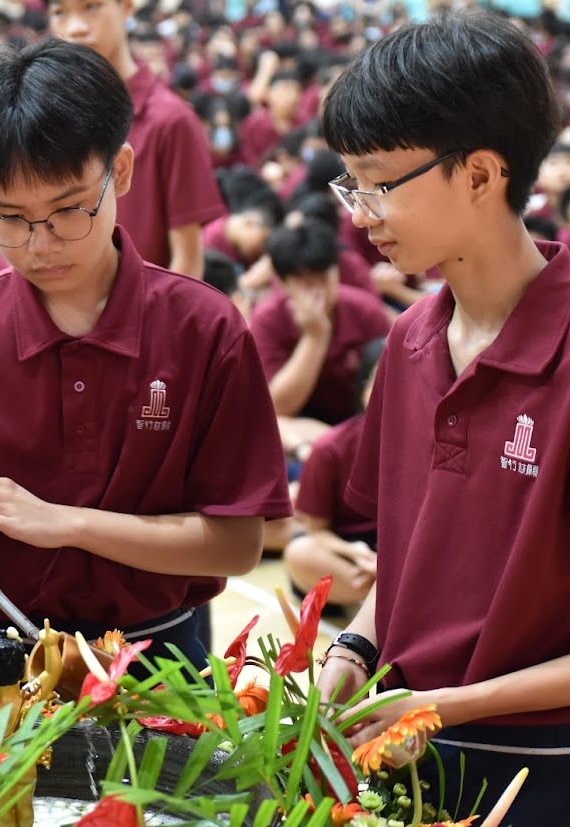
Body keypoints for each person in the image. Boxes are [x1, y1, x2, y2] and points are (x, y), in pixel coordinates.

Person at [0, 39, 289, 666]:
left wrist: (63, 522)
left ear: (119, 170)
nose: (41, 245)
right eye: (8, 218)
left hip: (156, 658)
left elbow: (235, 546)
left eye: (69, 209)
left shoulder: (204, 328)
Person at [314, 12, 570, 822]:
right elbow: (408, 559)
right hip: (400, 748)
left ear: (481, 174)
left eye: (378, 183)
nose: (359, 213)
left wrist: (447, 707)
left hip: (540, 770)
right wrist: (352, 650)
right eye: (347, 183)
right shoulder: (408, 340)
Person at [47, 0, 225, 278]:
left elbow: (187, 261)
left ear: (126, 6)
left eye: (91, 7)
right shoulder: (49, 116)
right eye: (60, 12)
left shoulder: (170, 120)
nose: (76, 28)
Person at [250, 220, 390, 428]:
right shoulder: (267, 320)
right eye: (305, 281)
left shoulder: (365, 311)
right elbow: (276, 409)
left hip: (362, 425)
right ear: (282, 282)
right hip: (301, 430)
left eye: (324, 277)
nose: (318, 290)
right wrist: (315, 337)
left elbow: (392, 390)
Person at [283, 336, 383, 609]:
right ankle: (386, 595)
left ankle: (391, 593)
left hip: (404, 554)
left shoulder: (437, 444)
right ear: (363, 388)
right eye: (382, 379)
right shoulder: (331, 448)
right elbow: (316, 531)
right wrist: (357, 554)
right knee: (301, 553)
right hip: (349, 552)